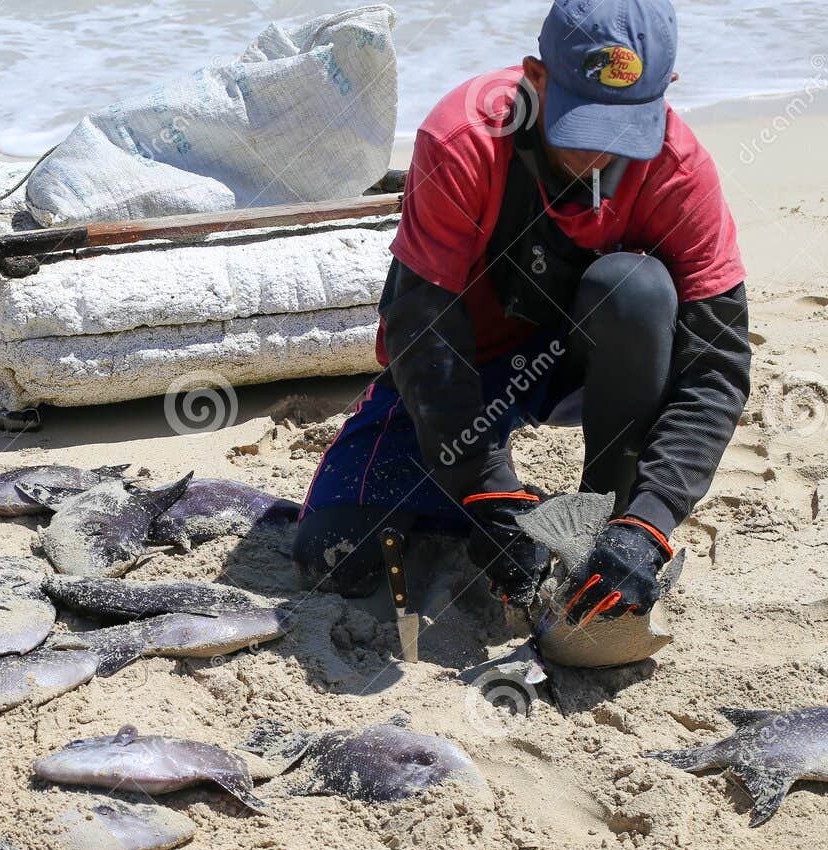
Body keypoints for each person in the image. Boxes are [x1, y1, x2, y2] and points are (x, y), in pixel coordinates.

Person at [293, 0, 749, 626]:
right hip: (464, 364)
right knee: (335, 555)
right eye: (581, 127)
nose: (597, 156)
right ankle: (507, 506)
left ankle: (604, 509)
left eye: (622, 131)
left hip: (594, 364)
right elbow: (419, 330)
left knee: (635, 289)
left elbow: (717, 369)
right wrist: (487, 487)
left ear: (664, 92)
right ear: (535, 77)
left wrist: (651, 521)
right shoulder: (462, 138)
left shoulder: (679, 169)